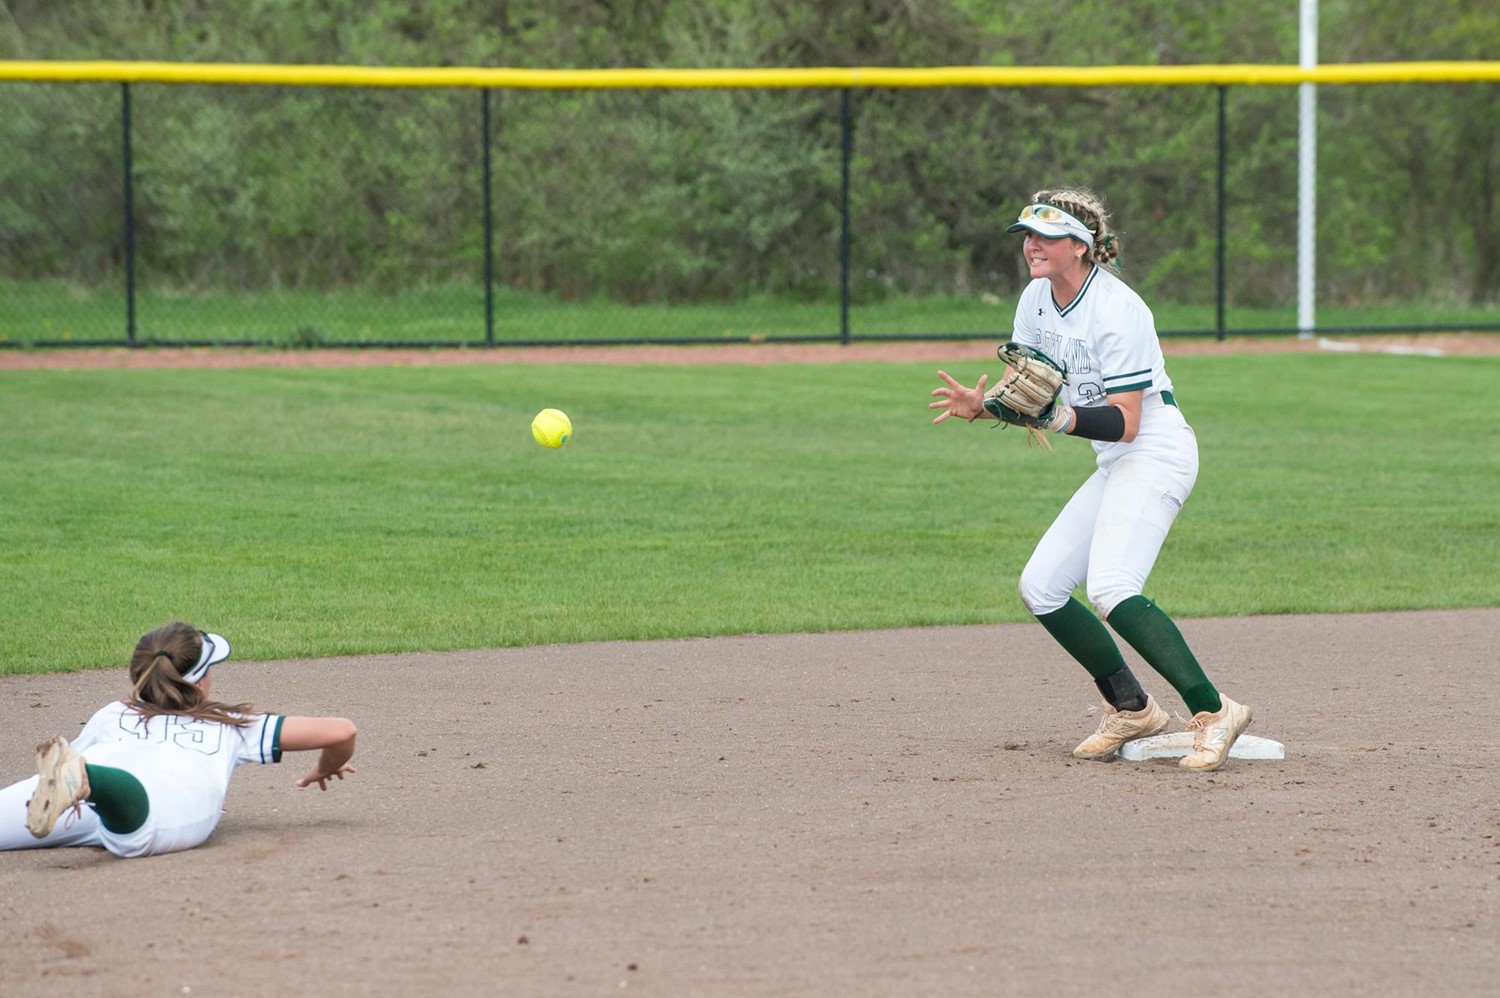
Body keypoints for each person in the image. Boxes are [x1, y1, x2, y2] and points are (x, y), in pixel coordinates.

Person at [929, 186, 1252, 771]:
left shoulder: (1118, 308)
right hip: (1115, 458)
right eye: (1027, 234)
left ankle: (1213, 710)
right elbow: (1033, 390)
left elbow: (1126, 423)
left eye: (1047, 235)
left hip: (1156, 449)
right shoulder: (1035, 299)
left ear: (1080, 246)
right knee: (1042, 586)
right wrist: (986, 407)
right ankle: (1132, 707)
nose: (1032, 245)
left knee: (1110, 587)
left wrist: (1058, 416)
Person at [2, 621, 357, 857]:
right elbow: (342, 730)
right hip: (162, 799)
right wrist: (328, 766)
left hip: (76, 793)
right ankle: (89, 782)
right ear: (201, 681)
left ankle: (85, 779)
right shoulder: (233, 725)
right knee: (135, 834)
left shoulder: (114, 713)